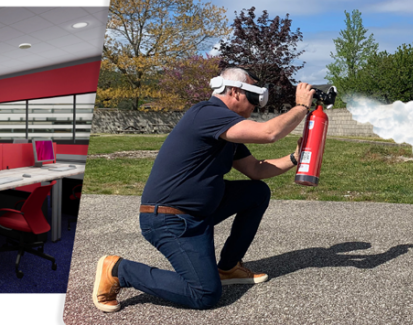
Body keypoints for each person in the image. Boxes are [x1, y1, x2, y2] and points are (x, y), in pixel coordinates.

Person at [92, 68, 316, 312]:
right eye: (254, 98)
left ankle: (228, 268)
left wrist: (295, 157)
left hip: (199, 212)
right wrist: (302, 107)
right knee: (204, 294)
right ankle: (118, 270)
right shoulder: (207, 113)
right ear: (235, 92)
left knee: (257, 192)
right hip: (170, 219)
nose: (257, 106)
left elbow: (255, 169)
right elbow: (269, 133)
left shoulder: (227, 129)